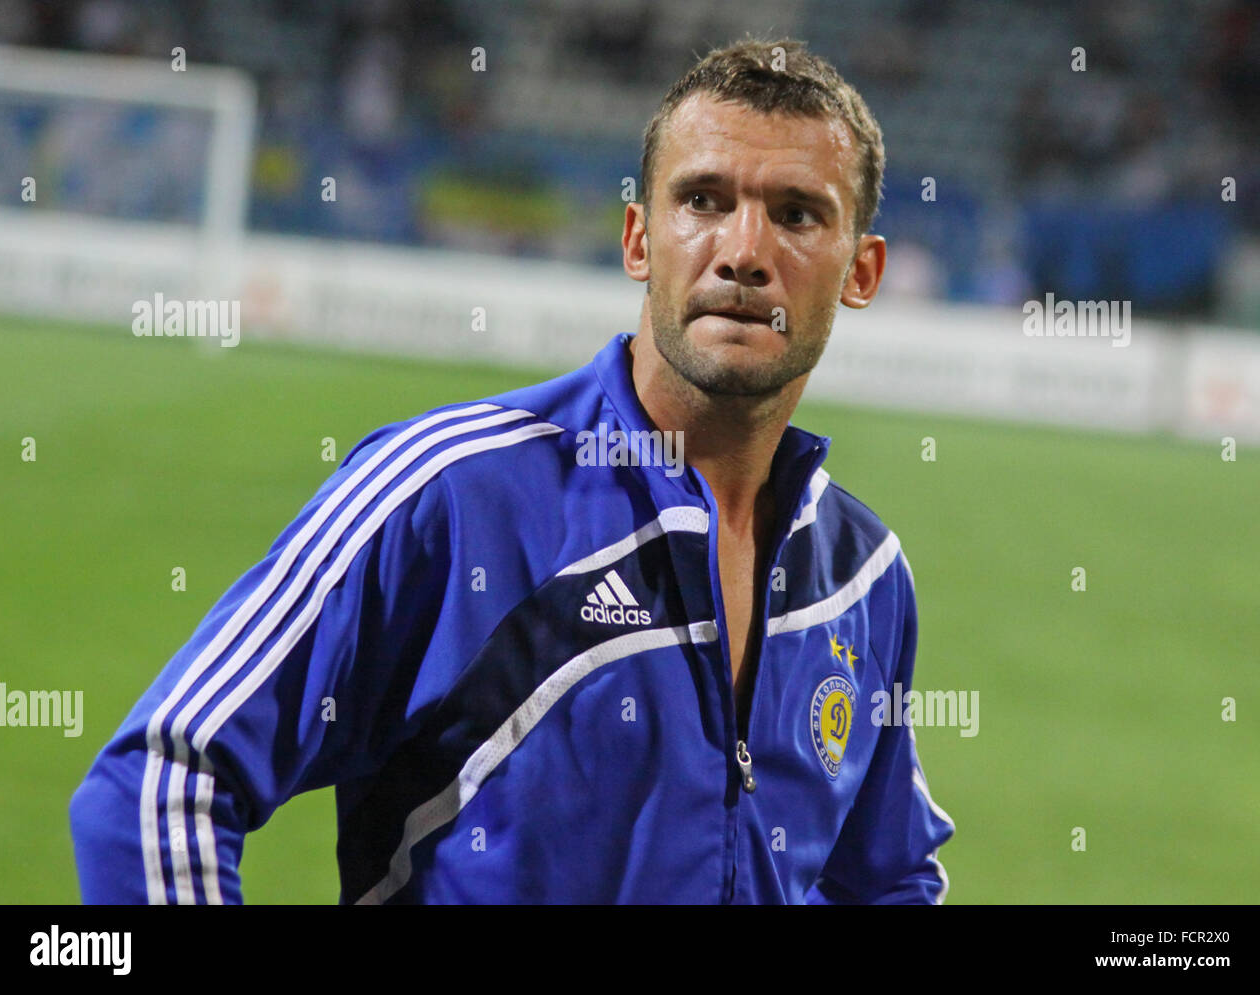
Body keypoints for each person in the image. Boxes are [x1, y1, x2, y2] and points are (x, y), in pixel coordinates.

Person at [70, 37, 955, 904]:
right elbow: (164, 777)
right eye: (702, 200)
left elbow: (891, 876)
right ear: (639, 240)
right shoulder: (452, 494)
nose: (744, 250)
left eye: (798, 214)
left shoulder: (864, 577)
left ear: (862, 269)